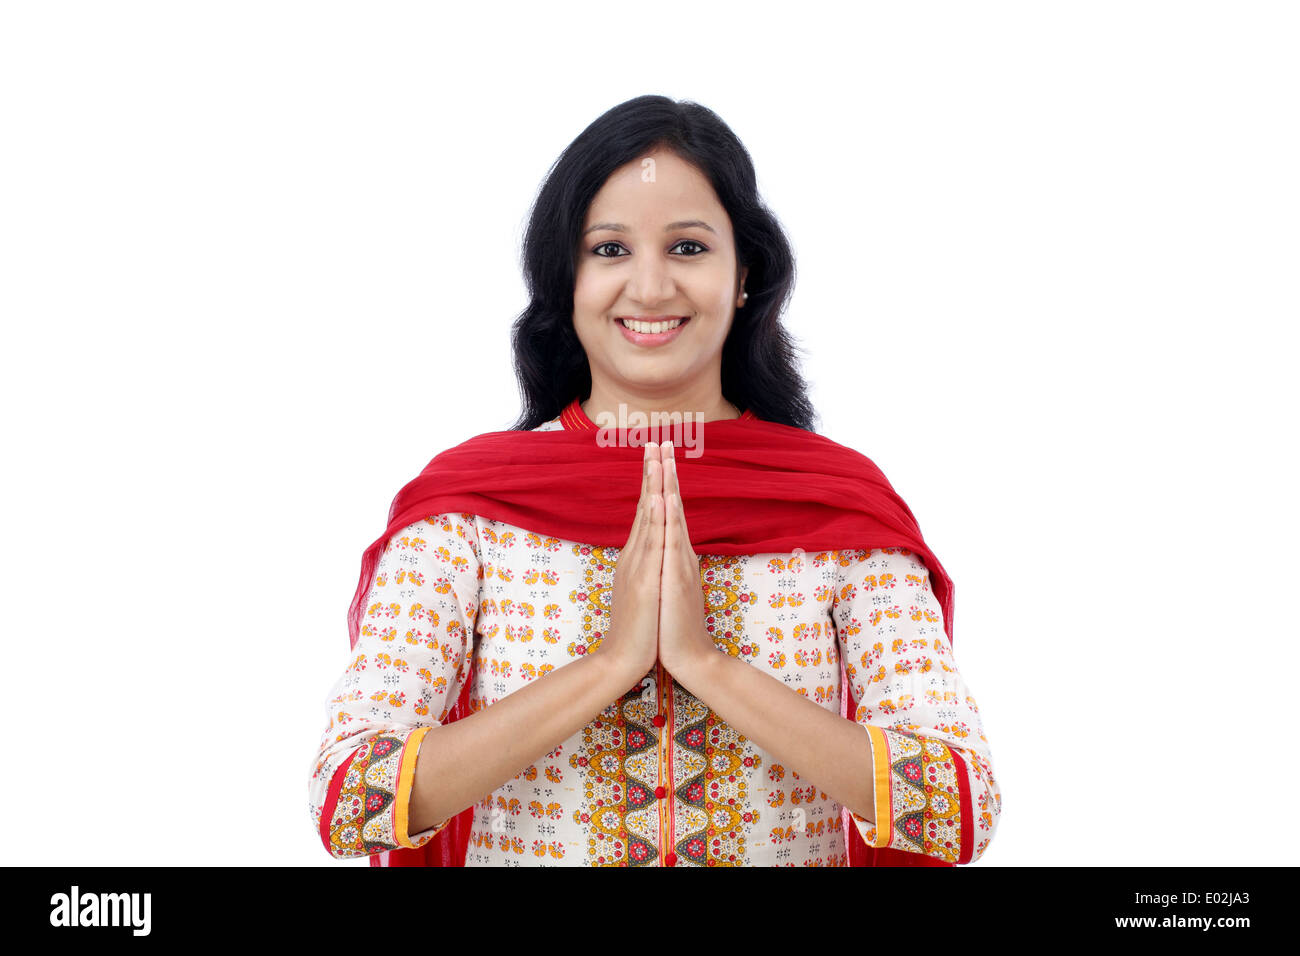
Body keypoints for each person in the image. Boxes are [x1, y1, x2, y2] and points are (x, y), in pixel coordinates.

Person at [307, 95, 1002, 866]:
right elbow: (349, 802)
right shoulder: (471, 511)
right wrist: (608, 665)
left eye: (688, 248)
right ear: (563, 279)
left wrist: (709, 666)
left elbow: (958, 806)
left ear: (745, 276)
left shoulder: (830, 504)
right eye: (609, 250)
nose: (648, 288)